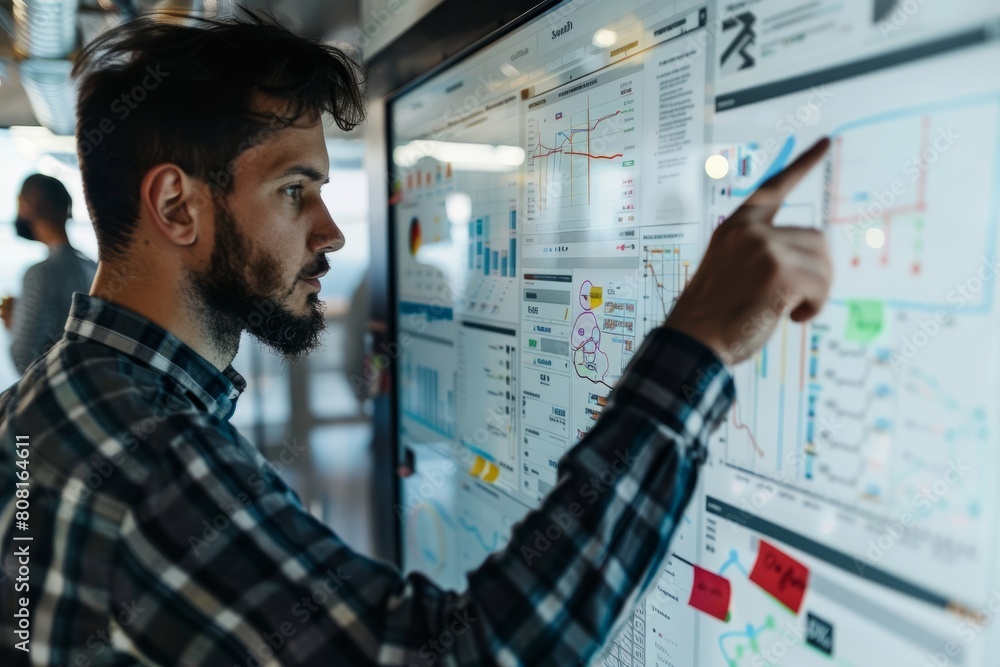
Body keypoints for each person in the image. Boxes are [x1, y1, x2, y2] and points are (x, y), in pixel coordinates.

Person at [0, 12, 832, 666]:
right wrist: (696, 349)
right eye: (296, 191)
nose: (331, 231)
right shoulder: (152, 457)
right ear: (177, 206)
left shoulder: (57, 394)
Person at [1, 174, 97, 374]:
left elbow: (24, 360)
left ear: (28, 205)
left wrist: (13, 322)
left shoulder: (40, 274)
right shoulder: (93, 267)